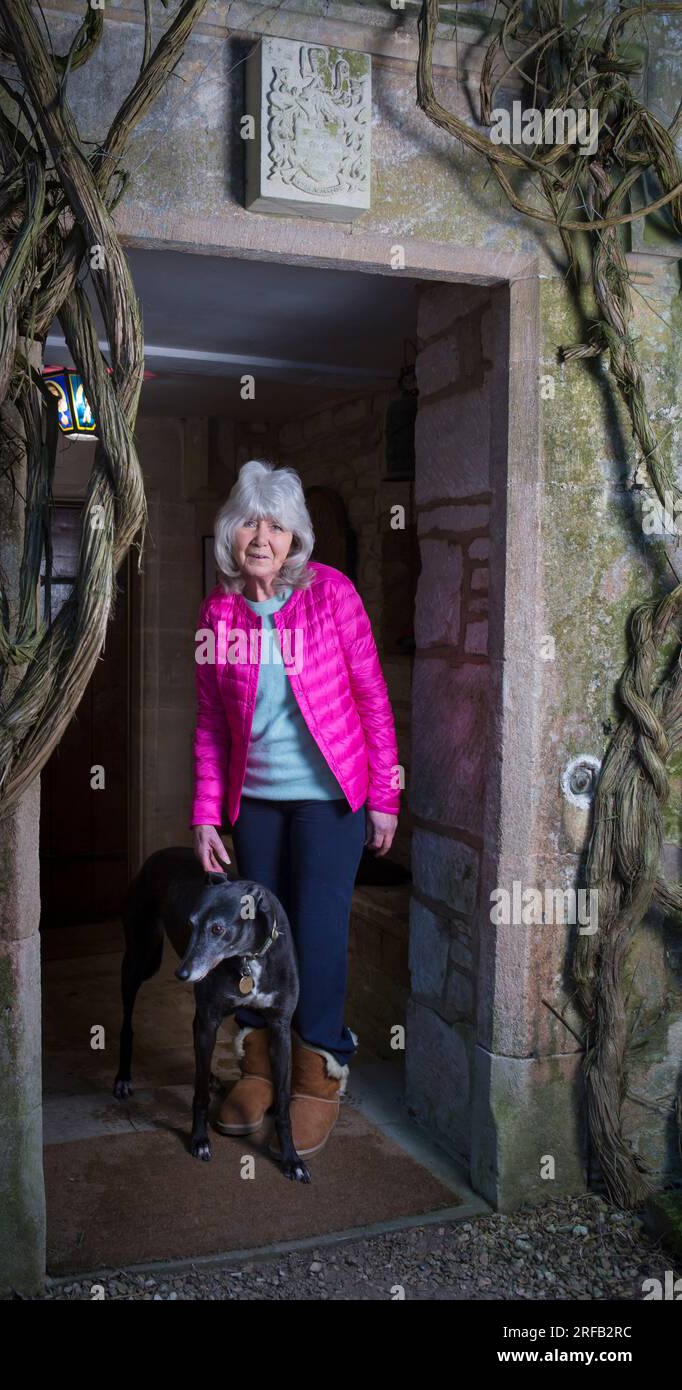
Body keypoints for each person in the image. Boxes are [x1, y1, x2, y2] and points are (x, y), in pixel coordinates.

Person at [191, 458, 401, 1158]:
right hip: (254, 804)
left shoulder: (332, 595)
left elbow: (372, 696)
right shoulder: (218, 612)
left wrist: (384, 798)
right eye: (251, 520)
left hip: (330, 801)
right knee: (255, 940)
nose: (263, 535)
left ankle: (316, 1071)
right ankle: (259, 1062)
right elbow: (210, 726)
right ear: (232, 532)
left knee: (315, 933)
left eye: (277, 524)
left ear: (294, 538)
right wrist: (204, 814)